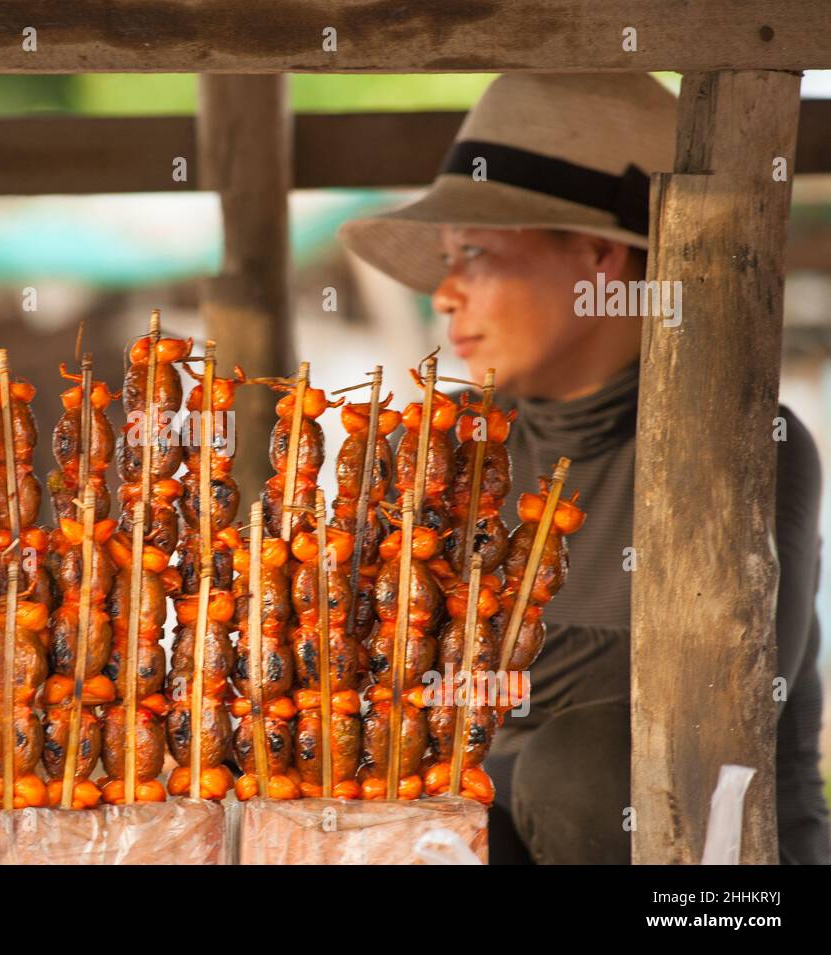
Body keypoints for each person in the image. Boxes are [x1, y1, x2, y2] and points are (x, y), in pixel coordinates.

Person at [338, 72, 829, 864]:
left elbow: (700, 686)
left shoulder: (751, 442)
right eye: (444, 259)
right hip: (483, 832)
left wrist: (441, 674)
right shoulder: (455, 454)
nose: (447, 294)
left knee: (587, 764)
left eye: (476, 253)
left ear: (601, 258)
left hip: (706, 879)